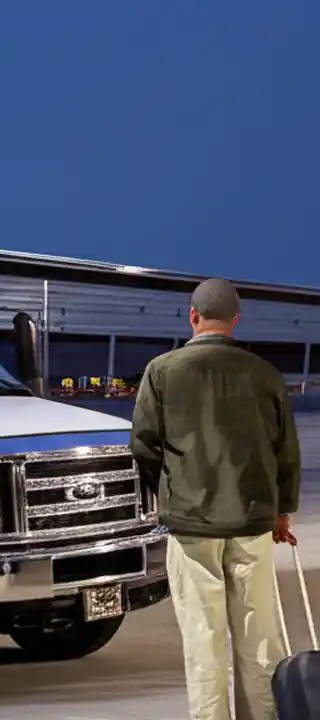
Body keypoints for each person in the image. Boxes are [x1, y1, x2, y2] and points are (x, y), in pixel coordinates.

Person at [130, 277, 301, 720]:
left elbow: (144, 446)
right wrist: (282, 512)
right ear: (236, 320)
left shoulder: (162, 371)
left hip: (191, 525)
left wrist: (170, 495)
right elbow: (285, 449)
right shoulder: (264, 373)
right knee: (259, 637)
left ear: (192, 315)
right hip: (252, 522)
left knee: (203, 637)